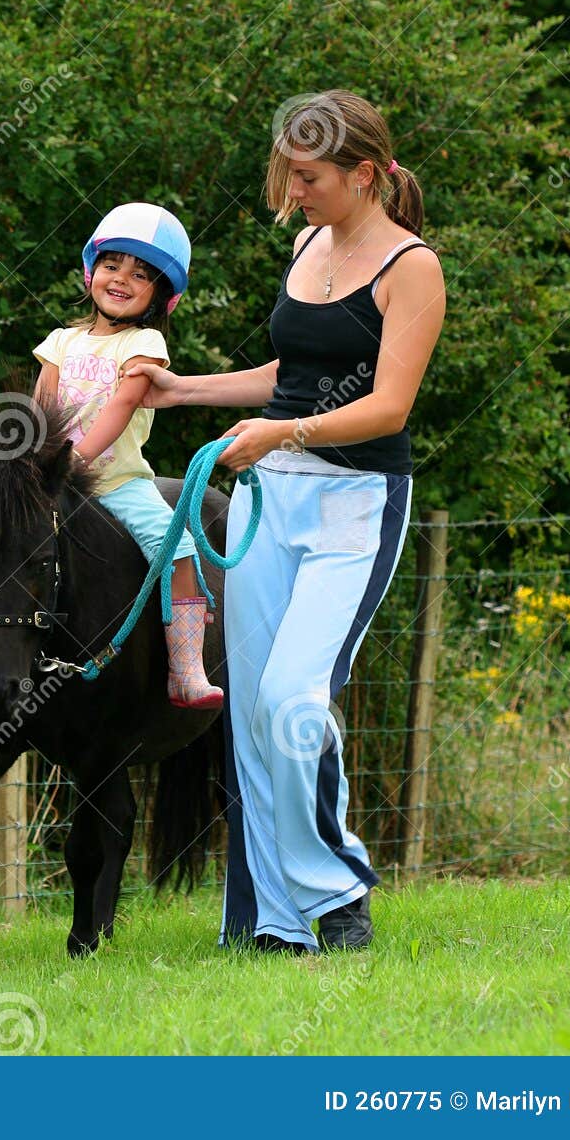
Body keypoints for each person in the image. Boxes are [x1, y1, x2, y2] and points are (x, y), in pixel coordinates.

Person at [137, 92, 446, 954]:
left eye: (307, 178)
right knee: (247, 713)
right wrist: (185, 389)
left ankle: (337, 892)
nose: (293, 193)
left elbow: (386, 405)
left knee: (292, 700)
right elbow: (292, 368)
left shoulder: (411, 267)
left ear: (363, 174)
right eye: (287, 174)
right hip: (271, 498)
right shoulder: (309, 246)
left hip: (353, 508)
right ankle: (276, 924)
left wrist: (284, 430)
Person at [0, 201, 223, 714]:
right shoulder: (61, 342)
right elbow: (40, 407)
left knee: (178, 547)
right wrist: (22, 466)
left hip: (118, 481)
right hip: (51, 482)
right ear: (90, 271)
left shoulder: (143, 344)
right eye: (112, 265)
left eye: (141, 274)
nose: (121, 279)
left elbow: (123, 404)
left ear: (161, 296)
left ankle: (185, 666)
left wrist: (75, 458)